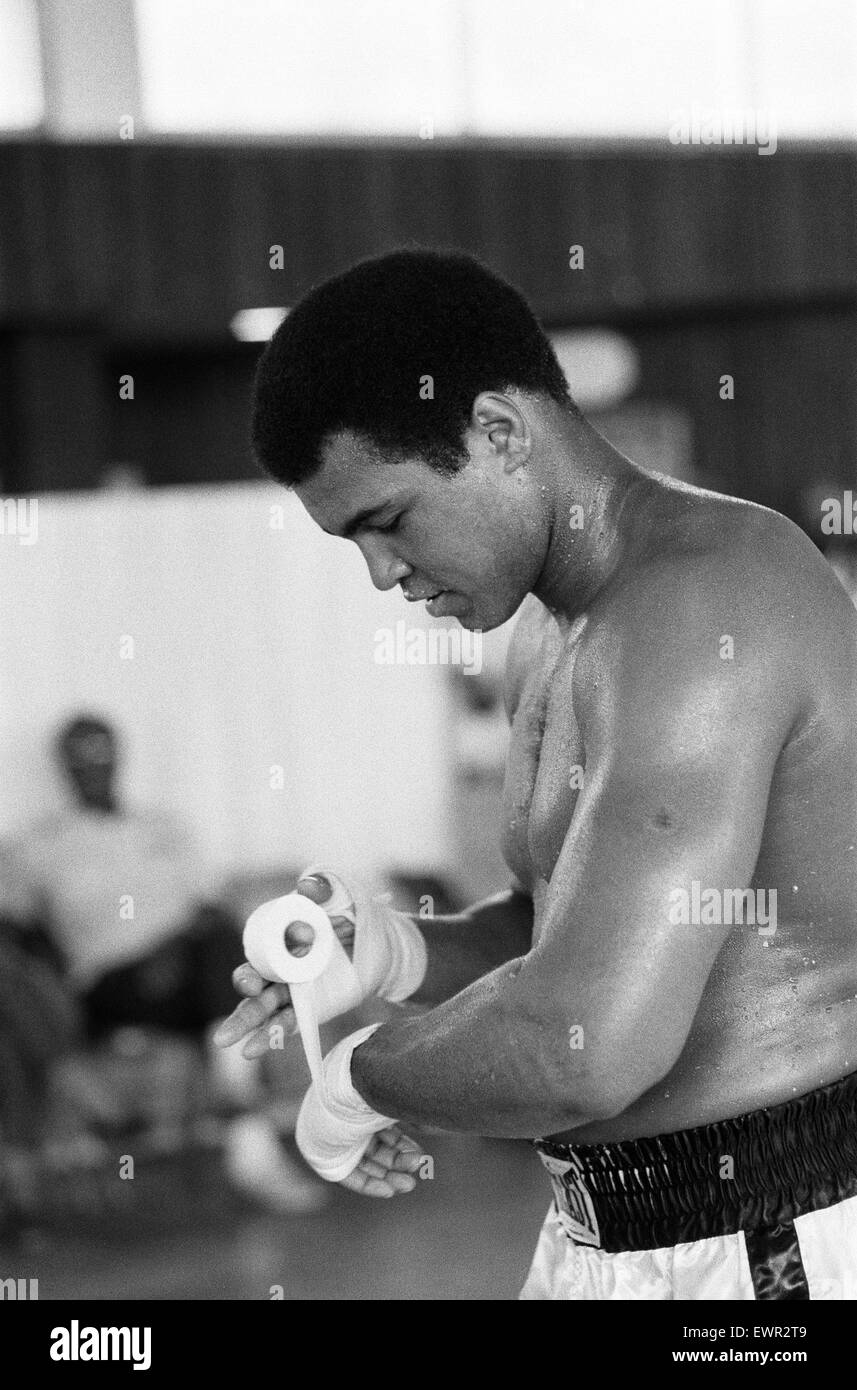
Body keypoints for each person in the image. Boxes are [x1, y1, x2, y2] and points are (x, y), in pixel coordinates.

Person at [216, 249, 857, 1299]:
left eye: (387, 520)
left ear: (499, 433)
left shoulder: (706, 602)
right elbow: (563, 933)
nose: (381, 574)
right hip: (604, 1233)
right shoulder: (551, 640)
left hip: (767, 1243)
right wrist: (386, 953)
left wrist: (352, 1081)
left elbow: (584, 1044)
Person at [1, 714, 323, 1211]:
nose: (95, 766)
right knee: (223, 965)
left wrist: (183, 945)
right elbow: (14, 929)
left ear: (118, 756)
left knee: (223, 943)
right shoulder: (39, 846)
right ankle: (249, 1138)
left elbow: (207, 902)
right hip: (111, 980)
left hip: (192, 962)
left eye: (102, 751)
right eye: (82, 756)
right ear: (63, 766)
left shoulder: (162, 826)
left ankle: (245, 1126)